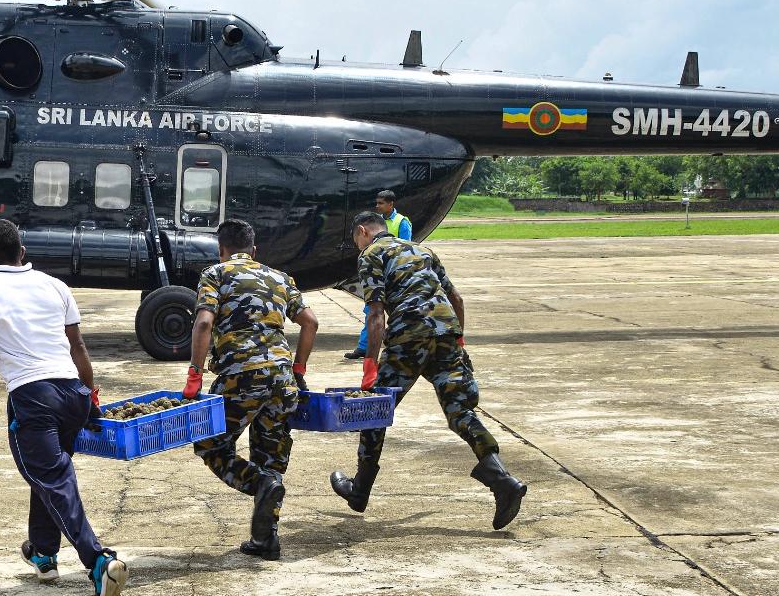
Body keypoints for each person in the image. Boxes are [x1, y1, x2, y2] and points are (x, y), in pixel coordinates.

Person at [0, 219, 128, 595]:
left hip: (33, 398)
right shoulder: (56, 286)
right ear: (22, 252)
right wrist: (90, 397)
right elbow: (78, 347)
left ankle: (98, 561)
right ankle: (43, 553)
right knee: (46, 474)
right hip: (72, 393)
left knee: (53, 479)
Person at [330, 211, 527, 530]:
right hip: (446, 334)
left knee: (374, 410)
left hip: (409, 337)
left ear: (364, 232)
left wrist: (369, 364)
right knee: (461, 413)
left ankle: (359, 490)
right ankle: (503, 481)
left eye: (356, 240)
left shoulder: (371, 255)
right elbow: (457, 300)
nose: (357, 246)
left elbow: (376, 314)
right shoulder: (423, 250)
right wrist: (458, 344)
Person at [182, 219, 318, 560]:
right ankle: (265, 539)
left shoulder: (216, 273)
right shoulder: (279, 277)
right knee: (270, 457)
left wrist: (194, 374)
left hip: (242, 376)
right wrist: (298, 369)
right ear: (254, 251)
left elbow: (203, 322)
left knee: (212, 446)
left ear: (221, 249)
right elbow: (310, 322)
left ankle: (260, 486)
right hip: (283, 380)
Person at [345, 190, 413, 360]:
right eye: (377, 203)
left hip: (395, 275)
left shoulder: (401, 222)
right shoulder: (376, 221)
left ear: (391, 204)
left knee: (384, 311)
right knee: (371, 309)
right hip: (378, 271)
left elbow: (407, 248)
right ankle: (363, 347)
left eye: (381, 203)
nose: (378, 206)